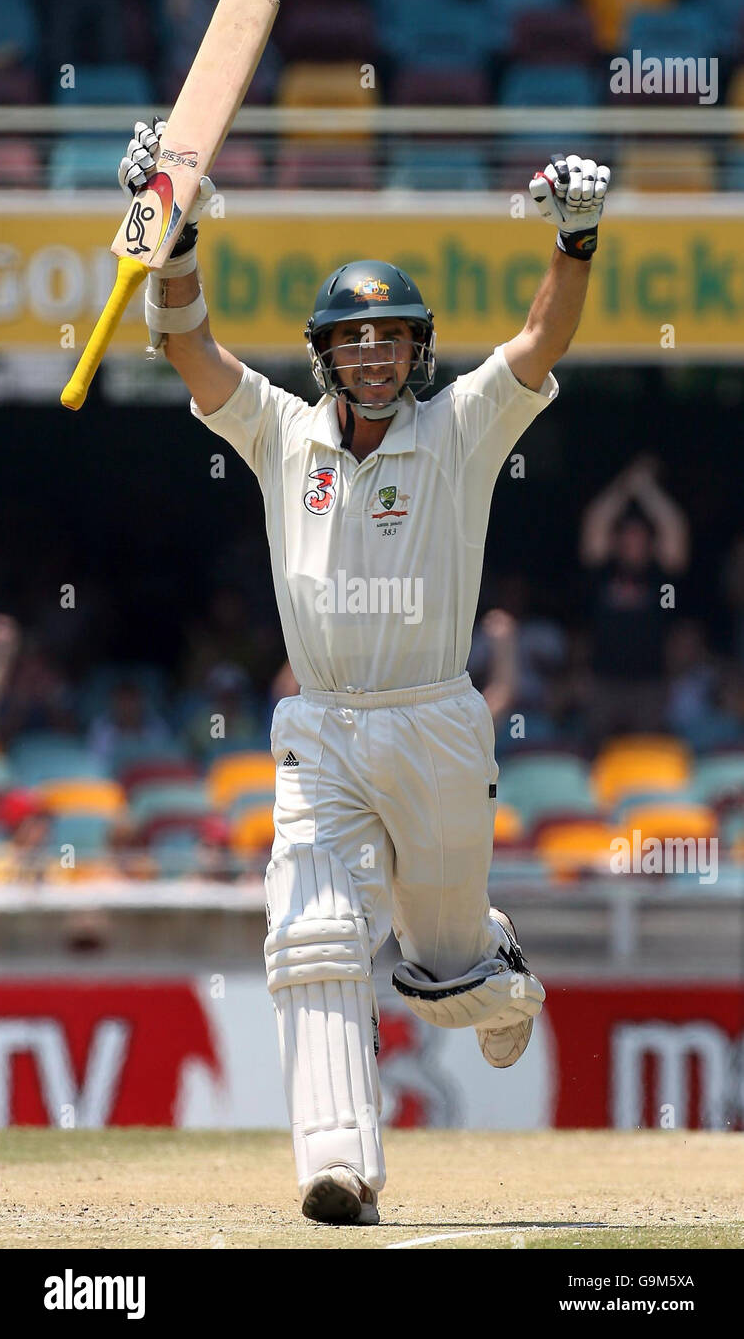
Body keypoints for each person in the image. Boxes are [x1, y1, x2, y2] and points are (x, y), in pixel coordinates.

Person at [117, 126, 610, 1224]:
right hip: (324, 729)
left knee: (443, 970)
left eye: (393, 339)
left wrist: (573, 244)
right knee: (312, 934)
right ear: (326, 354)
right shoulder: (283, 435)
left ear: (418, 352)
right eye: (356, 341)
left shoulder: (462, 428)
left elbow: (540, 337)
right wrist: (176, 237)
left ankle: (488, 961)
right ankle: (339, 1167)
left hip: (435, 724)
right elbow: (188, 348)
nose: (376, 356)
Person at [579, 456, 689, 740]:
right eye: (626, 535)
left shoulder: (660, 575)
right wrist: (624, 485)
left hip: (650, 685)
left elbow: (674, 527)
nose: (633, 542)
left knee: (647, 757)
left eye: (640, 536)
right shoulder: (602, 572)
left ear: (651, 543)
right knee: (599, 758)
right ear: (616, 541)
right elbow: (596, 520)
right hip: (603, 683)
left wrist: (646, 489)